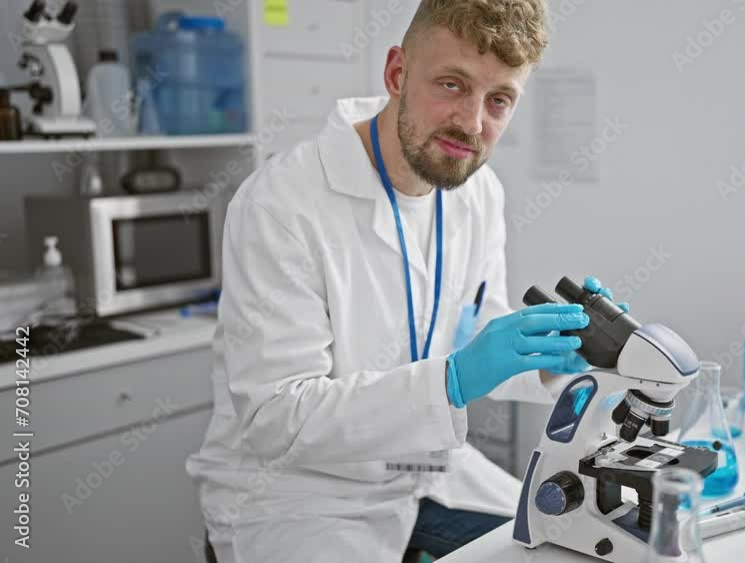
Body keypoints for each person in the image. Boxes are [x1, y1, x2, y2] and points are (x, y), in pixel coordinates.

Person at [186, 1, 626, 562]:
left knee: (573, 549)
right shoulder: (282, 204)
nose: (471, 123)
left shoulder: (478, 192)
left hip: (428, 470)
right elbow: (276, 420)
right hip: (299, 498)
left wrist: (546, 354)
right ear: (397, 74)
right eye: (451, 84)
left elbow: (476, 328)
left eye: (498, 100)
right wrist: (454, 380)